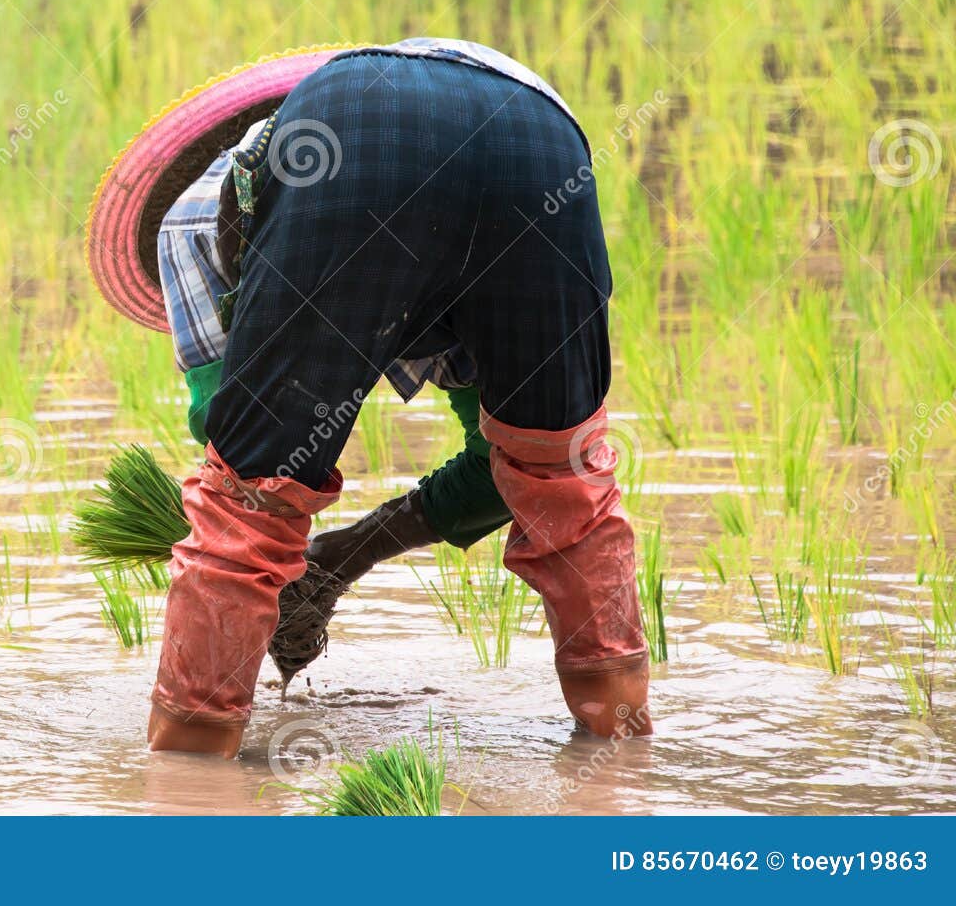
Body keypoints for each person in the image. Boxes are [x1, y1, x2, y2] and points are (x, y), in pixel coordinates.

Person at [85, 39, 652, 758]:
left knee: (248, 504)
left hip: (362, 135)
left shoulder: (190, 225)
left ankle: (190, 787)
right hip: (542, 135)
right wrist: (343, 555)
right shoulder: (413, 144)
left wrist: (285, 558)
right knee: (563, 480)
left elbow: (239, 460)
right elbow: (506, 474)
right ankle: (625, 761)